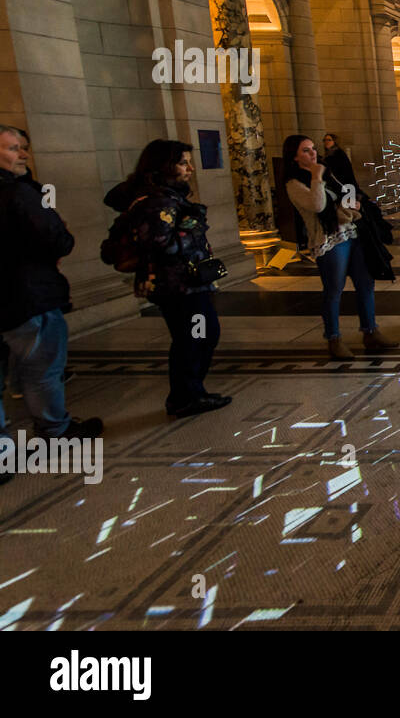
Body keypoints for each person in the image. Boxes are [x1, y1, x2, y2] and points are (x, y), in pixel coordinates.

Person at [0, 124, 102, 485]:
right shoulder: (19, 193)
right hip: (25, 294)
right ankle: (54, 432)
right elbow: (54, 237)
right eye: (14, 148)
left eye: (24, 147)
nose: (23, 154)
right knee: (41, 366)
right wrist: (60, 236)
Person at [105, 140, 231, 418]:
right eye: (183, 162)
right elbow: (160, 245)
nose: (190, 168)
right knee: (197, 336)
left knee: (197, 336)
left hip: (182, 283)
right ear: (164, 165)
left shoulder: (168, 197)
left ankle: (190, 392)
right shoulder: (157, 201)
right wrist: (192, 226)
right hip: (177, 285)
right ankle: (186, 396)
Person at [283, 134, 398, 360]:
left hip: (352, 232)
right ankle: (333, 339)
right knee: (334, 289)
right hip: (329, 240)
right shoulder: (294, 184)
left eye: (313, 148)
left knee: (366, 282)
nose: (313, 153)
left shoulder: (326, 171)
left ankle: (370, 331)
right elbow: (317, 205)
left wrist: (352, 203)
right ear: (294, 157)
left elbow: (343, 193)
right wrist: (316, 177)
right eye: (306, 150)